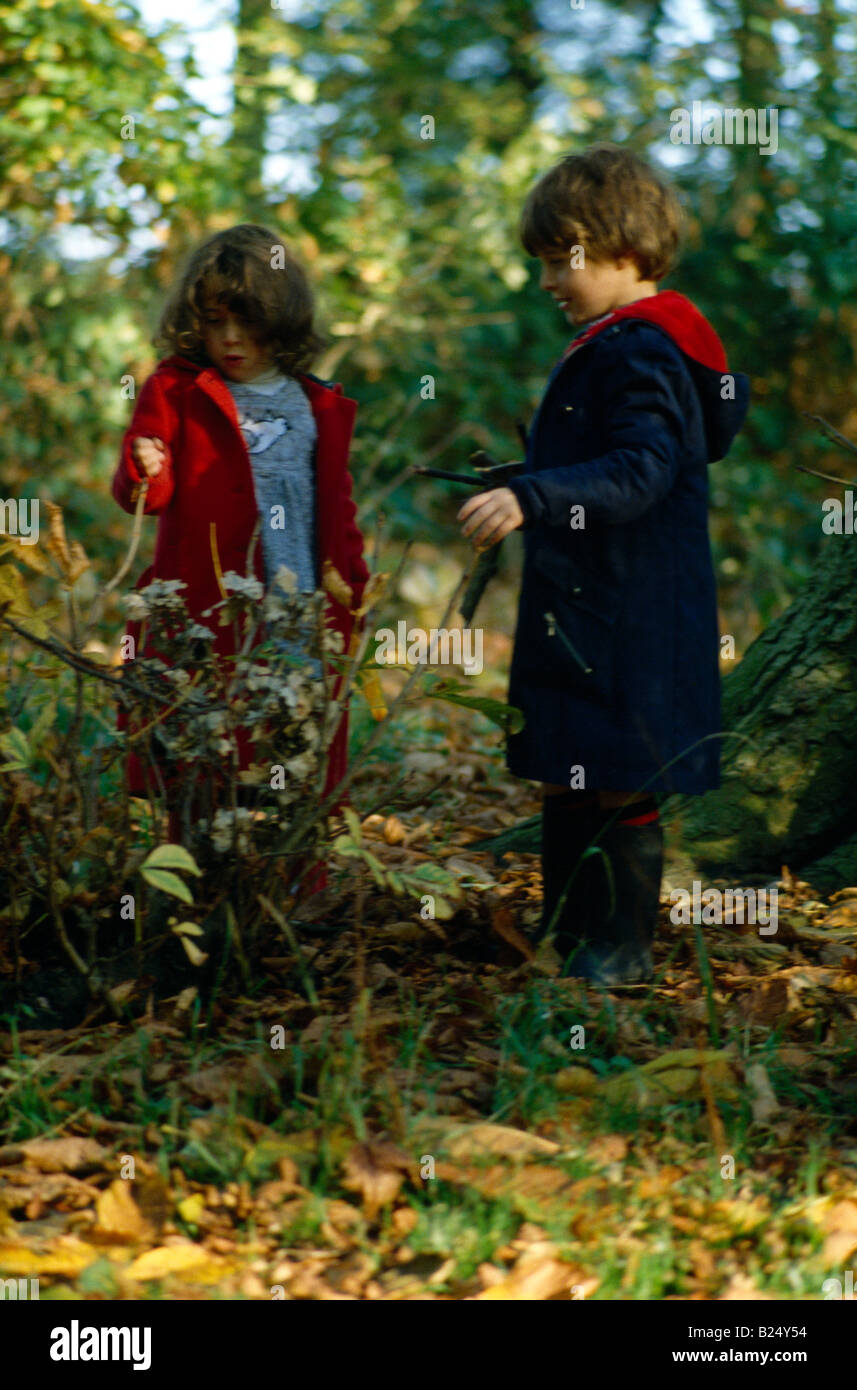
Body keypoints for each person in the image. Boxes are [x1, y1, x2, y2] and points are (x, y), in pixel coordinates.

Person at [458, 145, 749, 986]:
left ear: (623, 249)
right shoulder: (613, 340)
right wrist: (530, 484)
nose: (548, 279)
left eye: (562, 260)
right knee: (565, 765)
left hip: (632, 612)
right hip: (581, 606)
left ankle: (618, 951)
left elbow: (642, 469)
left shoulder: (643, 351)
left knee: (620, 773)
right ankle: (563, 931)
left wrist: (534, 499)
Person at [111, 223, 368, 871]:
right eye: (215, 320)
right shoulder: (174, 391)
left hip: (298, 610)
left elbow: (338, 510)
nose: (229, 338)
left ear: (281, 322)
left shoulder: (317, 404)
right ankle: (192, 894)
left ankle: (293, 897)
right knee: (205, 747)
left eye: (247, 322)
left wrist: (354, 591)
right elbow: (147, 492)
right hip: (208, 609)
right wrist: (145, 465)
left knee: (294, 750)